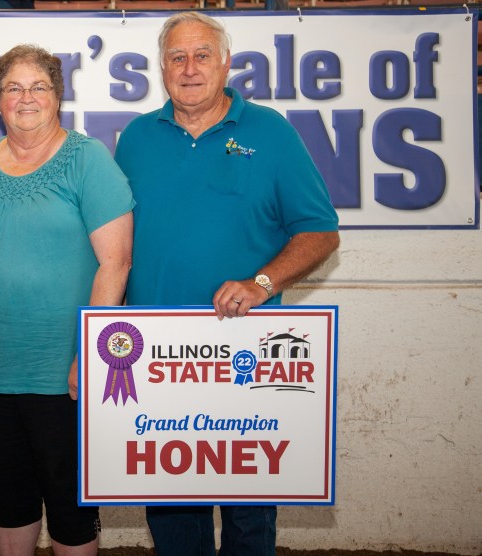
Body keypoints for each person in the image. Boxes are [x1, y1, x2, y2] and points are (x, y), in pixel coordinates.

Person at [114, 12, 340, 556]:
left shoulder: (272, 133)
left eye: (201, 55)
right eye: (177, 57)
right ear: (161, 67)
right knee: (170, 512)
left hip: (246, 354)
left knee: (248, 512)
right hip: (157, 358)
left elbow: (321, 231)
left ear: (226, 64)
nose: (189, 69)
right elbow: (112, 247)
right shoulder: (136, 139)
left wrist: (263, 281)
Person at [0, 44, 135, 555]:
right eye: (13, 87)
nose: (25, 97)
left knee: (71, 512)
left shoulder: (87, 159)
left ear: (58, 97)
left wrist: (91, 356)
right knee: (8, 500)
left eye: (38, 86)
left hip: (64, 375)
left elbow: (116, 262)